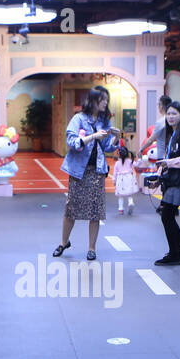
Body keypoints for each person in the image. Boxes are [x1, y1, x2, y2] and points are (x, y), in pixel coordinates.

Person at [54, 86, 119, 261]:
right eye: (102, 99)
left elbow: (106, 148)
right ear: (93, 101)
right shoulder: (78, 119)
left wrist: (116, 139)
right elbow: (72, 141)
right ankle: (63, 242)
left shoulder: (105, 122)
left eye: (107, 99)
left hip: (97, 171)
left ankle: (92, 248)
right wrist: (92, 136)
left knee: (95, 210)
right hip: (78, 171)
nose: (105, 103)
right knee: (71, 209)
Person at [152, 100, 180, 265]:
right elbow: (169, 159)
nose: (170, 117)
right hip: (173, 181)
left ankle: (175, 254)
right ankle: (179, 254)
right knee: (168, 216)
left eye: (174, 114)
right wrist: (158, 176)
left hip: (179, 182)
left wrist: (168, 163)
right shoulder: (173, 134)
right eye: (168, 114)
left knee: (167, 216)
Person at [112, 144, 138, 216]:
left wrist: (114, 181)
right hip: (129, 177)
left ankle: (120, 209)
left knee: (120, 194)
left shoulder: (117, 163)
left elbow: (115, 173)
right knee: (129, 192)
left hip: (120, 179)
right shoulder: (130, 161)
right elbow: (136, 165)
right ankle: (130, 202)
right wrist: (141, 160)